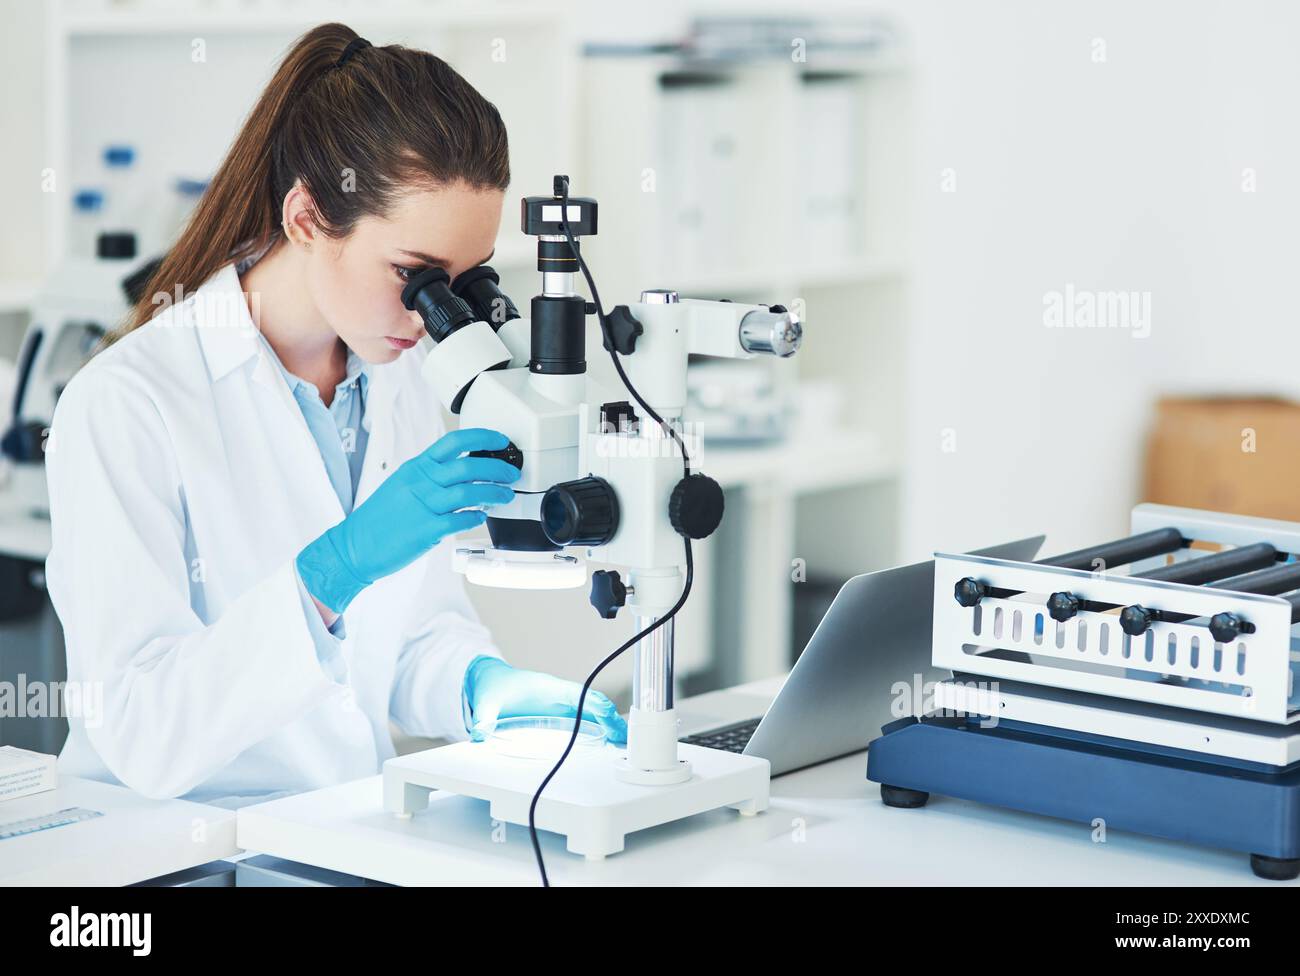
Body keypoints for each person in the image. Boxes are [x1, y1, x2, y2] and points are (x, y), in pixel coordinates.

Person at [45, 23, 625, 805]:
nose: (437, 314)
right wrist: (331, 573)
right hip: (185, 847)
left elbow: (405, 646)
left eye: (464, 281)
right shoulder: (127, 403)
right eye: (415, 276)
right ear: (308, 219)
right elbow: (144, 729)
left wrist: (478, 687)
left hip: (336, 829)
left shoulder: (407, 371)